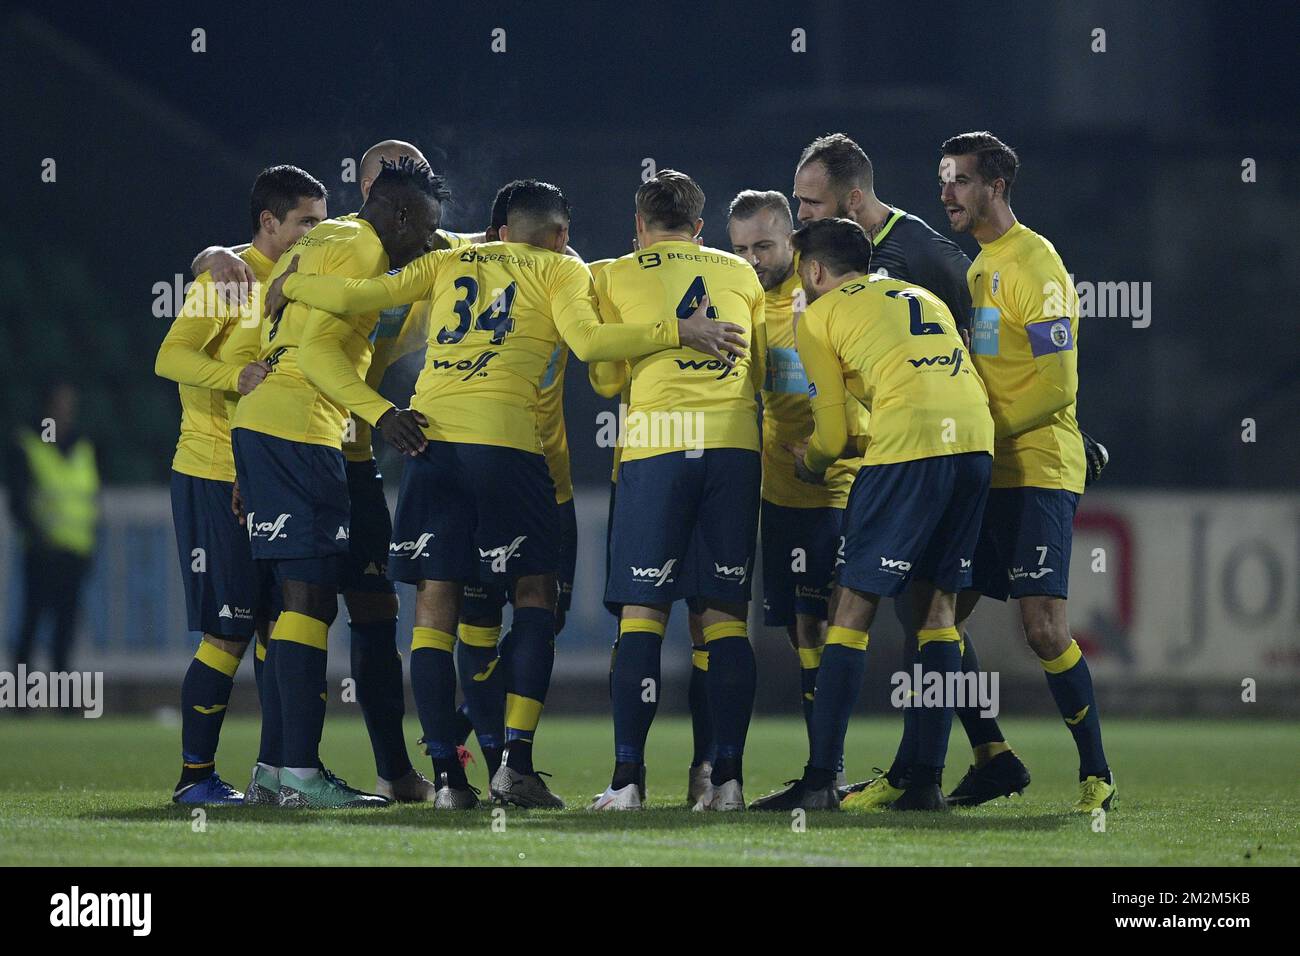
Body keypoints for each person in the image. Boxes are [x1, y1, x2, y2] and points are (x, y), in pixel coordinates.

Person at [268, 177, 743, 809]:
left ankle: (445, 780)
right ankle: (514, 763)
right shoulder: (561, 270)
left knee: (435, 612)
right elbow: (594, 347)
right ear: (561, 236)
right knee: (535, 595)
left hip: (431, 444)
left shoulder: (446, 260)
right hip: (510, 448)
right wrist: (678, 332)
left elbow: (364, 295)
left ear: (499, 229)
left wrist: (290, 283)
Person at [192, 139, 472, 803]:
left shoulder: (342, 245)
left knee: (342, 606)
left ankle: (313, 771)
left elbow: (365, 286)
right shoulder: (355, 242)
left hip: (318, 444)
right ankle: (294, 771)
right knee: (299, 604)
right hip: (307, 434)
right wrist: (383, 412)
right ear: (387, 201)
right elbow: (315, 346)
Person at [750, 217, 993, 811]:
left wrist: (811, 463)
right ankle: (925, 782)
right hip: (975, 446)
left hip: (909, 452)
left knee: (851, 608)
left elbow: (829, 433)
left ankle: (819, 780)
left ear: (813, 271)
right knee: (937, 612)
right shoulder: (922, 296)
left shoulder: (819, 315)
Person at [936, 131, 1114, 812]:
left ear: (996, 187)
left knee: (1042, 628)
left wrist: (985, 431)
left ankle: (1096, 774)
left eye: (958, 180)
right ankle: (992, 755)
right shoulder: (981, 269)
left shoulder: (1035, 265)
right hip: (991, 472)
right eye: (943, 179)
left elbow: (1054, 388)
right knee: (938, 618)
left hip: (1038, 467)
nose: (946, 192)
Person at [590, 170, 766, 812]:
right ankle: (727, 781)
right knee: (722, 618)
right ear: (700, 228)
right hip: (732, 447)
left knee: (643, 616)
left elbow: (605, 377)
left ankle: (628, 782)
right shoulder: (741, 275)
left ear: (639, 224)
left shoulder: (612, 273)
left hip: (659, 446)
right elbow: (764, 366)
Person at [155, 163, 325, 803]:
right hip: (212, 471)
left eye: (321, 220)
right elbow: (169, 355)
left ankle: (273, 774)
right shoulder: (228, 278)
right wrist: (236, 378)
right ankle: (194, 780)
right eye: (305, 221)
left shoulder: (297, 280)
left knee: (279, 626)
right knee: (228, 630)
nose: (315, 231)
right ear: (268, 221)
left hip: (268, 475)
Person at [728, 189, 862, 788]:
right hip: (780, 489)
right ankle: (822, 770)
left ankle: (830, 768)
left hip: (840, 484)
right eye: (740, 248)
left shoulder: (827, 297)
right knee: (800, 629)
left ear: (792, 242)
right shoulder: (745, 301)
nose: (752, 258)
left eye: (763, 245)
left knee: (836, 623)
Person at [7, 382, 100, 676]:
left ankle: (63, 702)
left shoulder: (82, 446)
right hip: (41, 553)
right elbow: (19, 502)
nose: (66, 412)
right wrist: (39, 538)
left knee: (65, 630)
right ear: (47, 408)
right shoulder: (29, 446)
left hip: (75, 553)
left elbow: (89, 501)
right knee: (32, 624)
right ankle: (22, 700)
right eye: (60, 405)